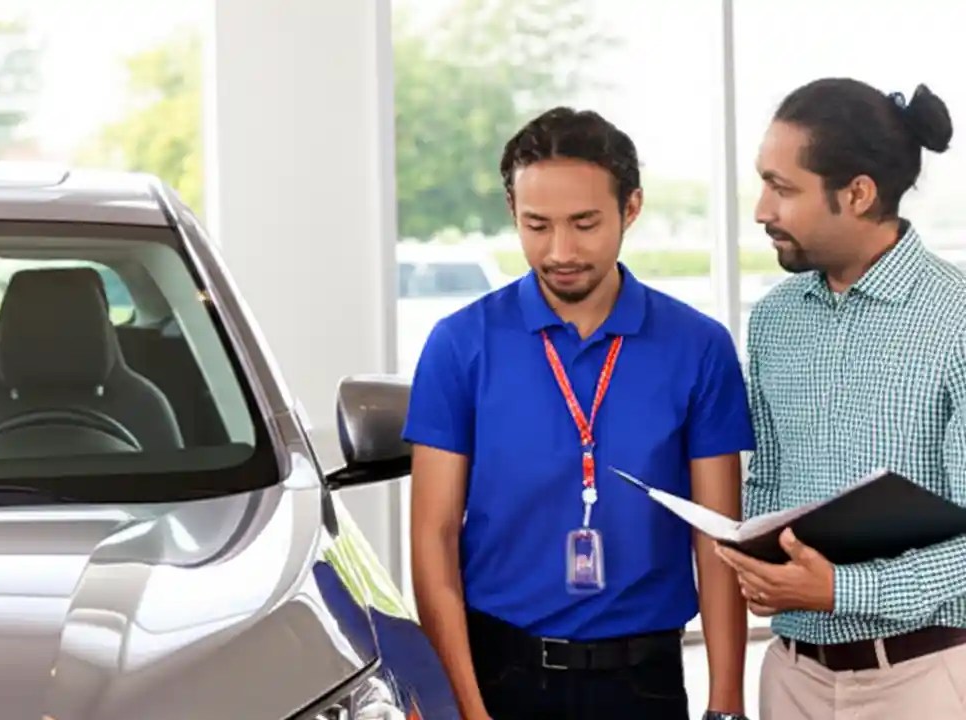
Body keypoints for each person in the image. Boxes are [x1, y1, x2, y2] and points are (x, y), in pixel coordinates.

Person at [403, 106, 754, 720]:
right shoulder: (460, 345)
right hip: (500, 671)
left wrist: (726, 702)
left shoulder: (698, 346)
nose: (560, 251)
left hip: (645, 681)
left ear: (632, 208)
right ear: (513, 212)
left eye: (585, 224)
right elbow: (433, 538)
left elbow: (717, 534)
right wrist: (463, 706)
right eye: (537, 225)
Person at [718, 78, 966, 718]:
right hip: (791, 676)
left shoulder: (957, 319)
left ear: (857, 194)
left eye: (783, 187)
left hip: (923, 679)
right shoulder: (774, 319)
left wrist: (841, 589)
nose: (761, 210)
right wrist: (758, 559)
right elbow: (769, 478)